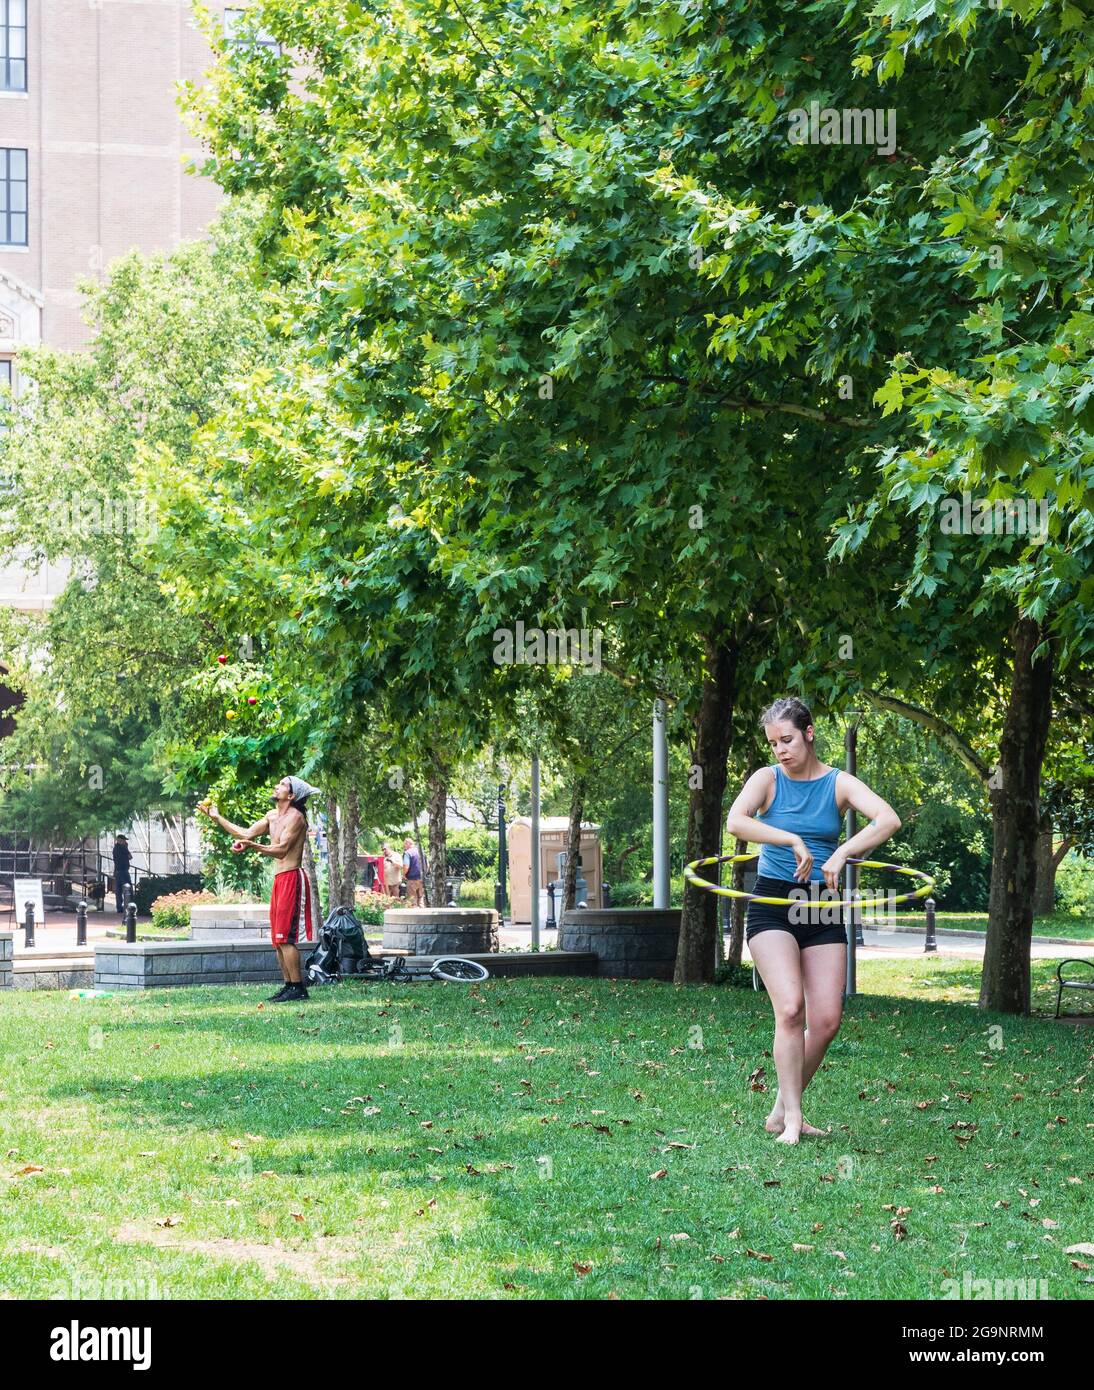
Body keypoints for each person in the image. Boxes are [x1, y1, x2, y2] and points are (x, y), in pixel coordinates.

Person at [725, 697, 902, 1146]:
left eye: (787, 739)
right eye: (773, 743)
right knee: (789, 1009)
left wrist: (842, 852)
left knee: (825, 1021)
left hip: (820, 904)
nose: (780, 750)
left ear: (808, 733)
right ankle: (792, 1120)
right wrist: (789, 838)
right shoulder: (767, 780)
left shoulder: (837, 784)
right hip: (772, 903)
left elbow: (888, 818)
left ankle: (782, 1109)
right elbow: (735, 822)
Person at [197, 776, 321, 1004]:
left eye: (283, 784)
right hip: (279, 879)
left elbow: (282, 850)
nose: (277, 785)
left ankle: (298, 987)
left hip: (292, 877)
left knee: (286, 937)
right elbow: (244, 833)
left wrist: (252, 846)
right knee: (277, 939)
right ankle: (288, 986)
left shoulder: (297, 818)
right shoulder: (272, 816)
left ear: (291, 796)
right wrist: (217, 818)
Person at [112, 834, 132, 916]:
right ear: (119, 840)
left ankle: (119, 907)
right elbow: (130, 857)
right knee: (128, 889)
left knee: (119, 890)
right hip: (123, 871)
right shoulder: (123, 848)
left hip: (117, 871)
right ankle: (129, 907)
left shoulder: (115, 848)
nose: (125, 842)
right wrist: (126, 848)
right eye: (124, 840)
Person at [402, 836, 424, 906]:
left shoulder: (408, 853)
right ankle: (423, 914)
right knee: (421, 899)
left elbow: (406, 866)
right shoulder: (421, 852)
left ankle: (414, 916)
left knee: (412, 900)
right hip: (421, 878)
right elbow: (428, 865)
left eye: (404, 844)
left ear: (408, 844)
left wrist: (404, 874)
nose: (404, 846)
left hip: (412, 879)